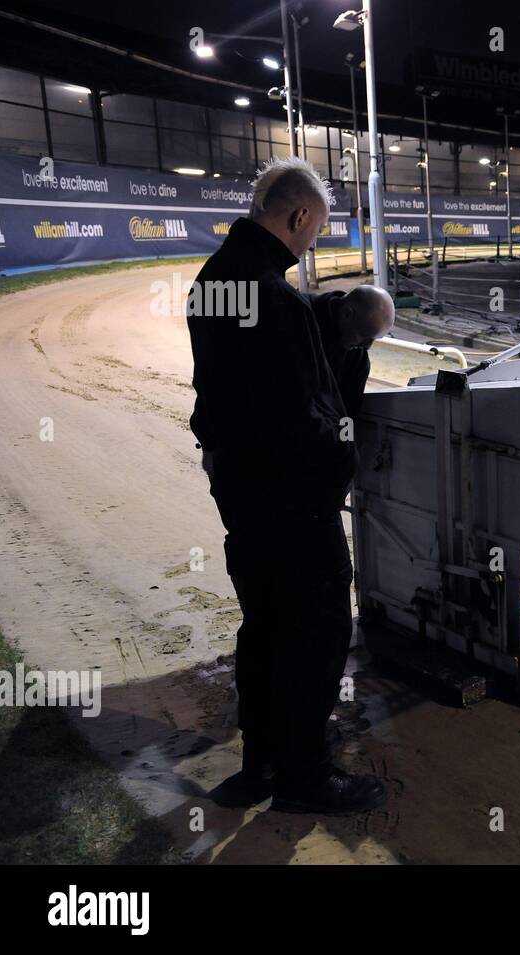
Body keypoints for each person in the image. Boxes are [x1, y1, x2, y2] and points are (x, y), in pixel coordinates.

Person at [189, 156, 386, 815]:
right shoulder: (272, 296)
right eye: (315, 232)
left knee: (266, 628)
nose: (312, 244)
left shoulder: (212, 280)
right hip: (293, 504)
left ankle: (262, 764)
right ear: (299, 216)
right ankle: (305, 776)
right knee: (319, 631)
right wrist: (343, 461)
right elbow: (300, 416)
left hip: (243, 500)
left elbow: (225, 391)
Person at [307, 284, 395, 422]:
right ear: (347, 313)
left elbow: (348, 415)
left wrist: (345, 441)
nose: (367, 347)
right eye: (363, 334)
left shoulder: (358, 359)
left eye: (374, 339)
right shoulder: (300, 319)